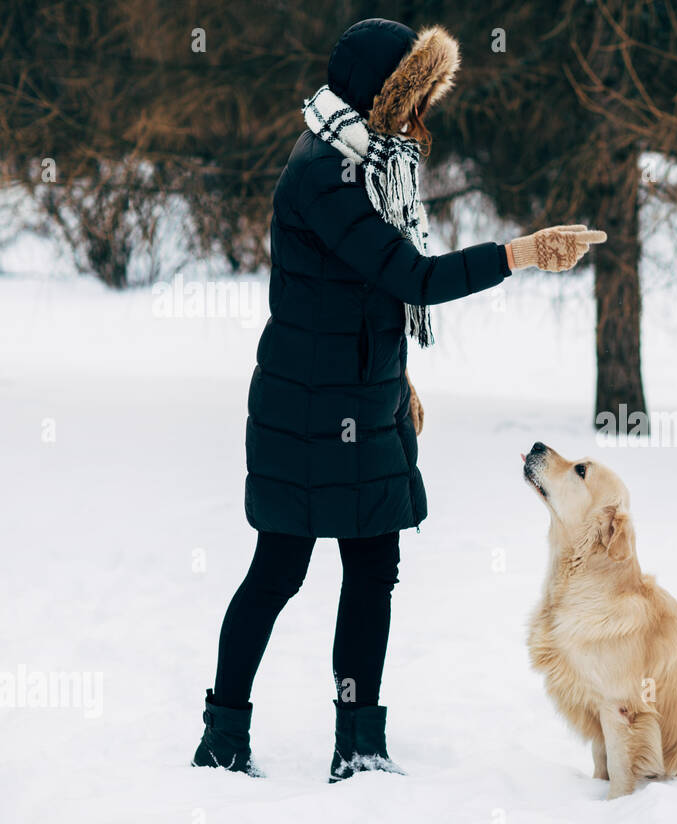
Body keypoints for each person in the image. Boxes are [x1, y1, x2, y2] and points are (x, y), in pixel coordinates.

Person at [191, 18, 605, 781]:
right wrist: (521, 252)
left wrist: (396, 377)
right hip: (306, 408)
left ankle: (359, 744)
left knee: (373, 565)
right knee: (279, 569)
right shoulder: (327, 173)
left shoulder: (374, 164)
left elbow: (363, 293)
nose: (422, 121)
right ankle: (222, 734)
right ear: (380, 98)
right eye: (413, 101)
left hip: (362, 393)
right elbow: (408, 277)